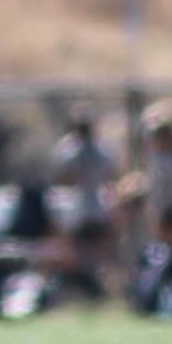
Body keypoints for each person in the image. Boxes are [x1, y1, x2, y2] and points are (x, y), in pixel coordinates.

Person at [49, 113, 121, 298]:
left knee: (76, 252)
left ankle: (86, 288)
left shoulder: (69, 150)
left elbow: (63, 179)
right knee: (97, 253)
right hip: (98, 206)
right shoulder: (102, 150)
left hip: (77, 208)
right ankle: (95, 288)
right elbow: (112, 175)